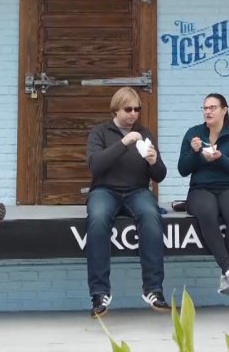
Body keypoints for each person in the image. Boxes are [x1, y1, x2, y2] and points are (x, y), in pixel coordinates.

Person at [83, 86, 169, 318]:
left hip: (137, 191)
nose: (133, 114)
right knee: (98, 219)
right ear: (116, 109)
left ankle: (153, 289)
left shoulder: (145, 133)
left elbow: (160, 175)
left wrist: (153, 161)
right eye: (128, 109)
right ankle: (99, 293)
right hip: (105, 191)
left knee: (151, 217)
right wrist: (123, 143)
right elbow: (95, 165)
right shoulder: (101, 132)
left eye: (137, 109)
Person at [177, 93, 229, 300]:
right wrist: (194, 152)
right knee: (207, 212)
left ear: (224, 110)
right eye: (205, 108)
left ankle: (226, 276)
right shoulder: (194, 134)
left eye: (212, 107)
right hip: (200, 189)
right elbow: (183, 170)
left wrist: (220, 158)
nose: (207, 111)